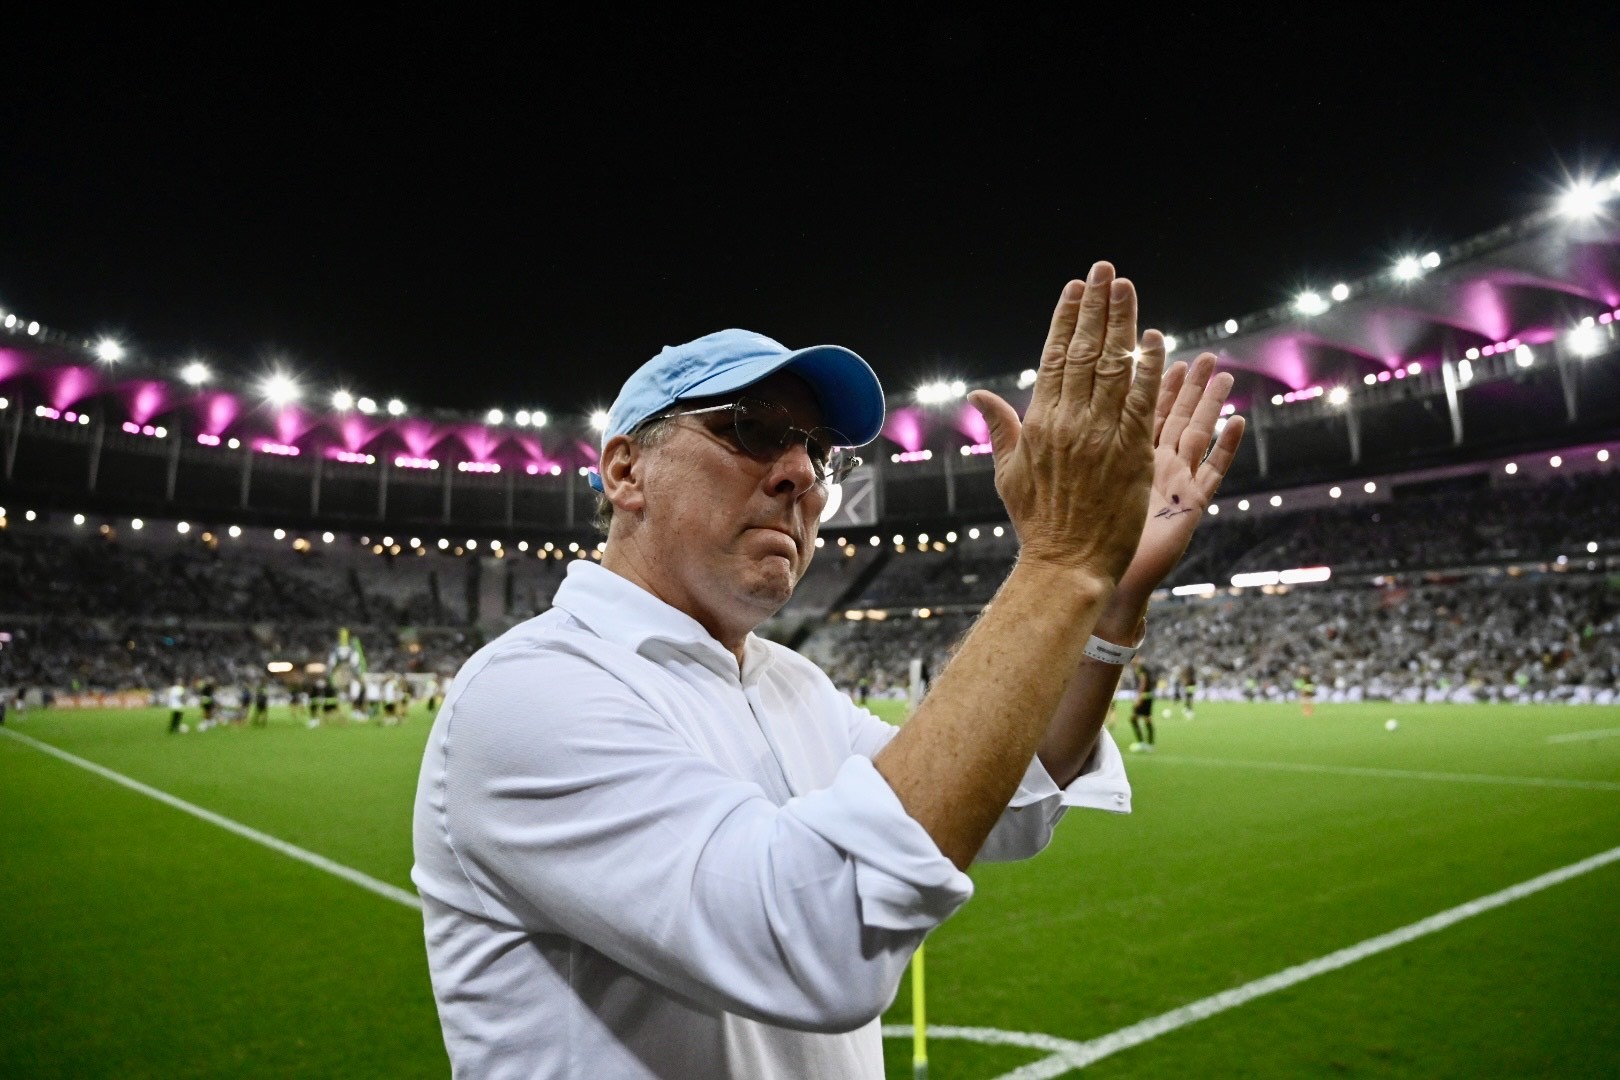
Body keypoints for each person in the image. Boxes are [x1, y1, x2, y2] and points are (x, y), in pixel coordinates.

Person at [412, 264, 1245, 1078]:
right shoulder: (530, 691)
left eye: (816, 449)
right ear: (627, 471)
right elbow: (813, 938)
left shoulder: (789, 683)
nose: (802, 473)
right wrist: (1061, 564)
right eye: (753, 428)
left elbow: (1010, 796)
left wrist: (1108, 605)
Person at [1128, 656, 1157, 752]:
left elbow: (1143, 682)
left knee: (1133, 719)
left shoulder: (1140, 668)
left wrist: (1139, 697)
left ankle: (1141, 743)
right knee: (1147, 719)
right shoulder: (1144, 668)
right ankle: (1150, 744)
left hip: (1144, 697)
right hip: (1148, 696)